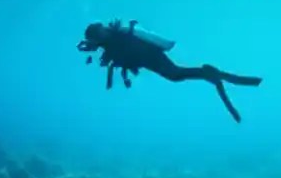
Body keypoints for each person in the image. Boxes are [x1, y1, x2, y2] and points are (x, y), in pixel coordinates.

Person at [76, 19, 263, 122]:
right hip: (147, 59)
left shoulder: (117, 36)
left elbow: (124, 50)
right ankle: (209, 73)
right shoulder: (110, 43)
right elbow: (111, 58)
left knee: (175, 75)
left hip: (151, 56)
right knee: (176, 75)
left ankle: (209, 73)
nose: (101, 35)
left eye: (99, 33)